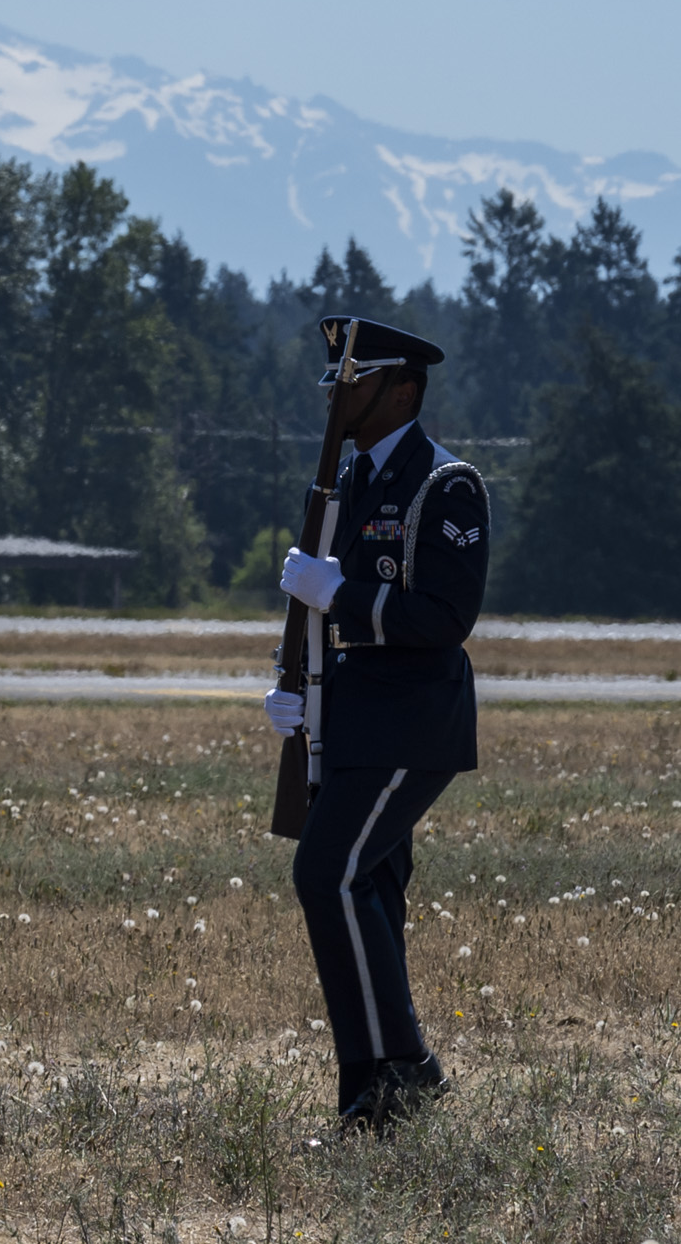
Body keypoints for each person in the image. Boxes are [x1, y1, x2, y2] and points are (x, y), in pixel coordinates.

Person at [264, 315, 484, 1133]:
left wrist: (340, 597)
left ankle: (404, 1071)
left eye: (350, 379)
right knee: (370, 894)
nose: (334, 393)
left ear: (402, 389)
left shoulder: (443, 485)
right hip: (350, 718)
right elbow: (313, 609)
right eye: (330, 378)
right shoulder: (347, 481)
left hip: (410, 722)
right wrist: (287, 690)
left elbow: (443, 616)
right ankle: (373, 1089)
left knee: (330, 877)